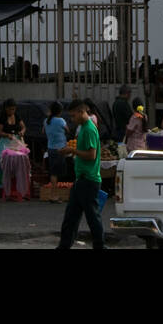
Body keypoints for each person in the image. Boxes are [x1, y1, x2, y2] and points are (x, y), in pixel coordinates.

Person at [57, 100, 105, 251]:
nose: (72, 119)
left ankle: (100, 246)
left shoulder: (89, 129)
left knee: (92, 218)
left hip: (89, 180)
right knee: (71, 217)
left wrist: (72, 151)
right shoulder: (83, 127)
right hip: (81, 179)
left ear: (81, 111)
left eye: (73, 115)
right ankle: (64, 246)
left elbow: (91, 155)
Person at [43, 100, 68, 183]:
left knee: (53, 172)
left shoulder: (46, 121)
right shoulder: (61, 120)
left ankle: (54, 193)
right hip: (61, 149)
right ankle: (63, 190)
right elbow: (67, 130)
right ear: (60, 111)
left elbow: (43, 131)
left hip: (50, 148)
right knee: (62, 171)